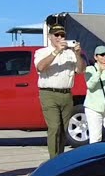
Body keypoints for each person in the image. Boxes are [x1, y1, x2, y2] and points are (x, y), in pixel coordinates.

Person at [34, 24, 81, 158]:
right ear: (50, 37)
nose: (60, 38)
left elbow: (81, 70)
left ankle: (60, 157)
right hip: (49, 93)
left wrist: (77, 54)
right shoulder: (42, 52)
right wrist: (56, 52)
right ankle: (53, 160)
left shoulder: (70, 53)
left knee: (64, 129)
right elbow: (41, 67)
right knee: (54, 127)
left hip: (66, 94)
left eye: (62, 35)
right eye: (56, 35)